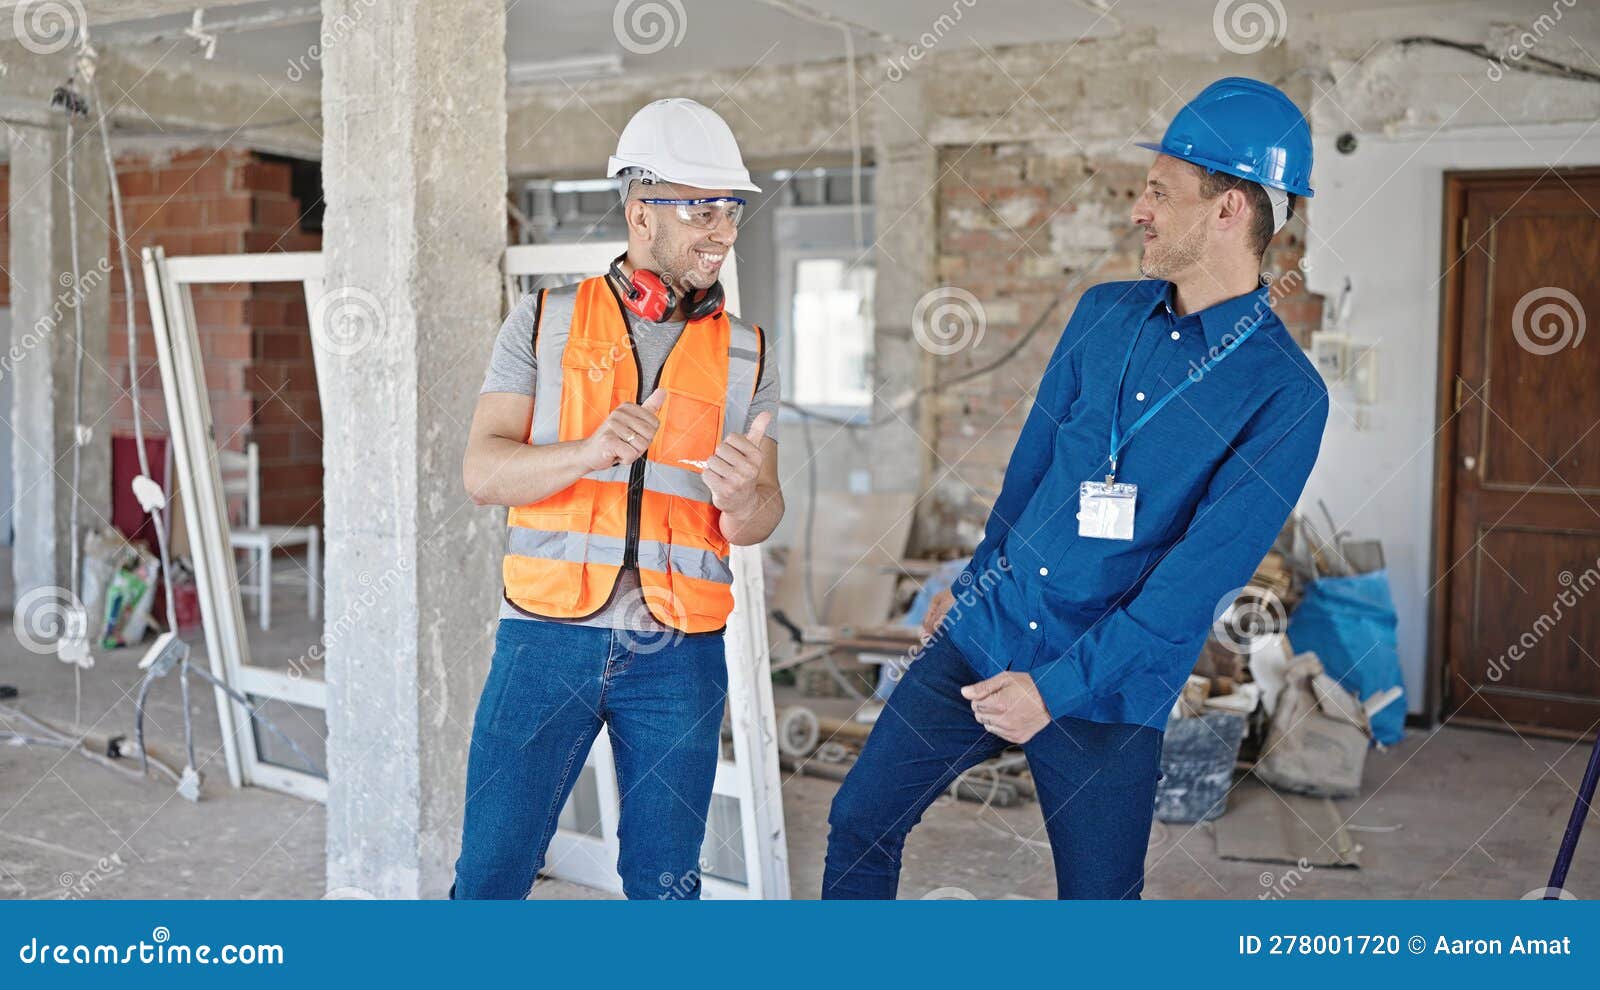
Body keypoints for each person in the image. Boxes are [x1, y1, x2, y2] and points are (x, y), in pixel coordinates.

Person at [823, 77, 1330, 900]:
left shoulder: (1286, 393)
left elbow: (1192, 585)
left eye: (1160, 192)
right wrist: (971, 580)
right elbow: (1029, 474)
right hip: (988, 631)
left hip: (1106, 685)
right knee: (858, 821)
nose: (1139, 209)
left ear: (1230, 209)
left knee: (1099, 906)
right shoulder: (1103, 314)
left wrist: (1052, 691)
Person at [453, 98, 784, 900]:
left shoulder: (747, 351)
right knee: (491, 873)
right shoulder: (543, 322)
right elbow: (483, 473)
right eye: (701, 208)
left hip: (678, 653)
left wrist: (747, 497)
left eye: (731, 209)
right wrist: (590, 449)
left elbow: (760, 516)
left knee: (666, 886)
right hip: (544, 639)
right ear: (641, 213)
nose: (722, 231)